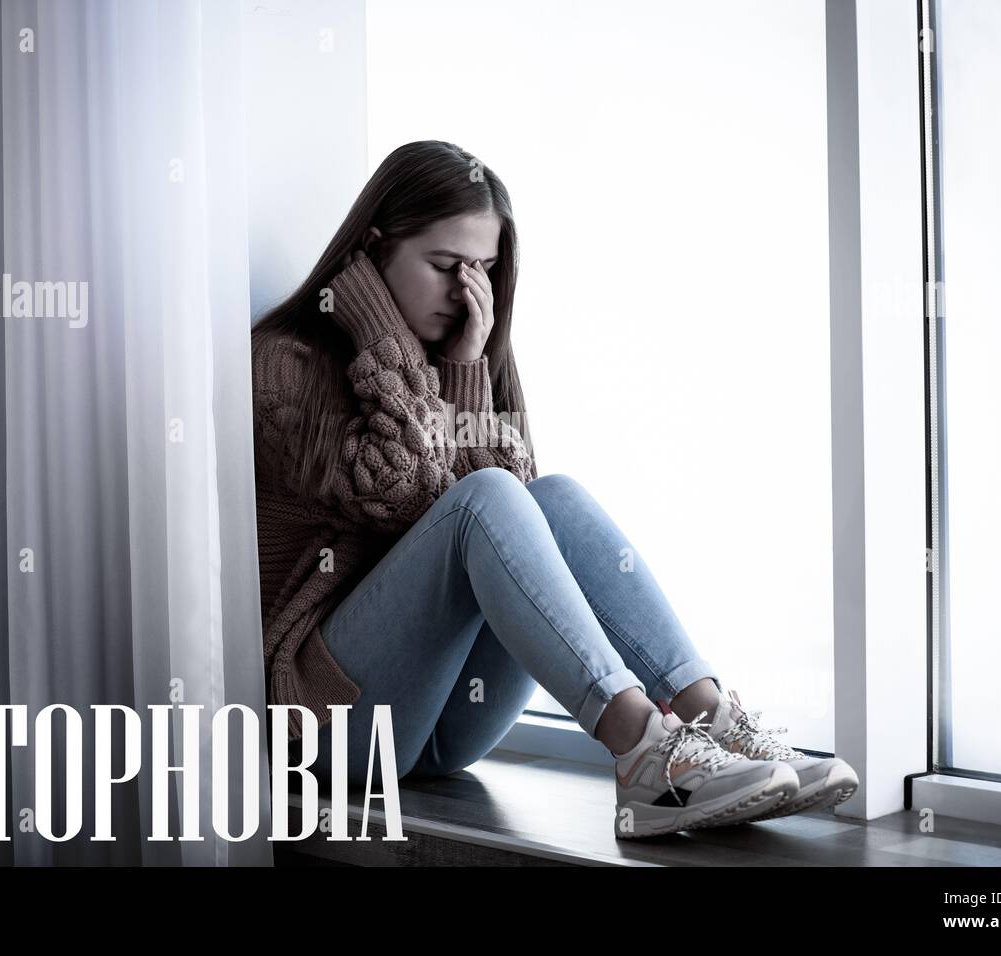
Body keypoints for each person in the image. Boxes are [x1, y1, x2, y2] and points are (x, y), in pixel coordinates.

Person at [251, 140, 858, 839]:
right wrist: (405, 343)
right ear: (371, 248)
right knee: (489, 497)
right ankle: (641, 752)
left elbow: (516, 531)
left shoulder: (460, 356)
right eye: (447, 266)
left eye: (484, 269)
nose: (468, 294)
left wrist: (465, 369)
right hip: (330, 731)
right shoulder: (281, 369)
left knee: (554, 498)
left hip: (442, 732)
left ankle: (709, 723)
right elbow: (417, 494)